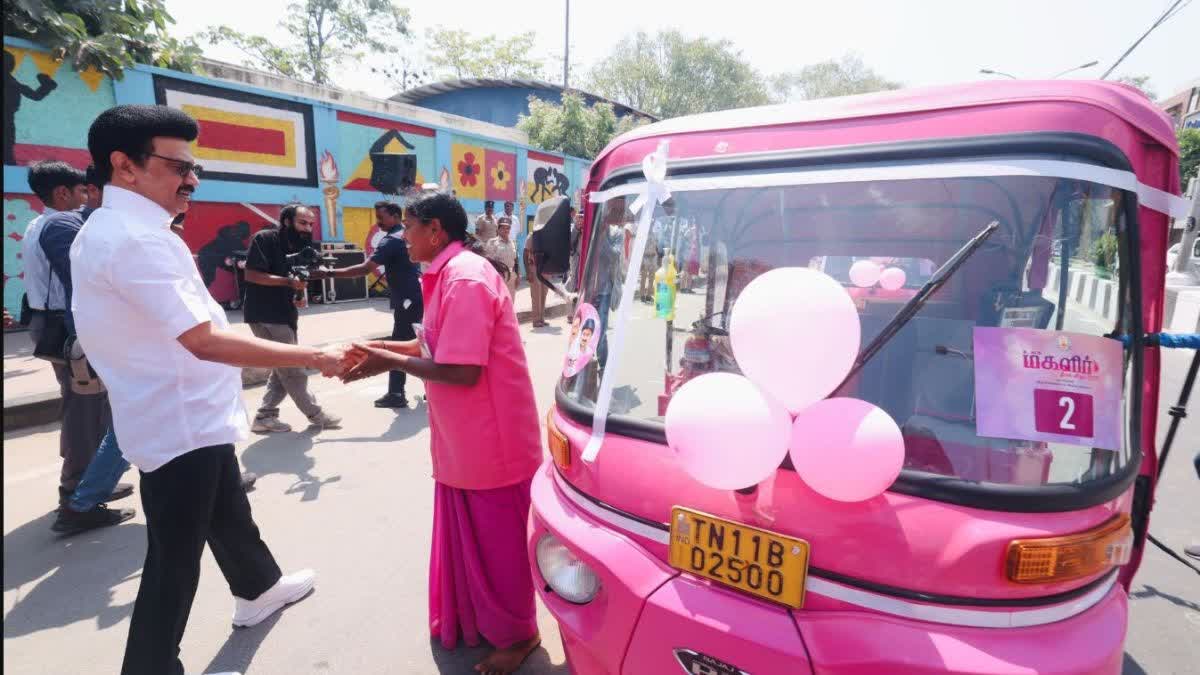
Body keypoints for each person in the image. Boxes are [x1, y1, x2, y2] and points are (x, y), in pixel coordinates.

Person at [71, 104, 346, 675]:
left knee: (228, 511)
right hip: (177, 419)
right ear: (124, 166)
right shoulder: (134, 238)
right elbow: (205, 341)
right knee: (174, 556)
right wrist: (316, 355)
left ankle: (259, 588)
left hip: (189, 413)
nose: (191, 179)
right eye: (178, 166)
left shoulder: (127, 227)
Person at [340, 191, 543, 675]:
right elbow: (432, 342)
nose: (400, 236)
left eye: (407, 226)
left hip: (492, 440)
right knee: (472, 539)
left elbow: (461, 370)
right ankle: (478, 618)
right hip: (463, 437)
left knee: (499, 547)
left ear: (435, 231)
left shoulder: (466, 279)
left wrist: (384, 360)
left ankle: (520, 635)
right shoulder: (445, 275)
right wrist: (374, 347)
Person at [39, 164, 135, 535]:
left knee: (126, 418)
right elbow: (94, 284)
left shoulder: (104, 226)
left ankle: (86, 494)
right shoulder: (67, 227)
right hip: (103, 338)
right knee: (122, 419)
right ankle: (80, 497)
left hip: (117, 336)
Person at [242, 203, 343, 433]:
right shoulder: (265, 239)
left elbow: (299, 275)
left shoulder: (302, 244)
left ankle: (265, 416)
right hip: (264, 313)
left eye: (310, 224)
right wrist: (288, 283)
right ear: (287, 221)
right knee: (292, 368)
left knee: (283, 366)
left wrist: (298, 293)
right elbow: (252, 274)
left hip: (285, 312)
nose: (307, 228)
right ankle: (316, 415)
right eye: (302, 222)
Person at [319, 201, 423, 408]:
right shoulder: (405, 235)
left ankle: (396, 393)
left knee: (399, 346)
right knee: (417, 343)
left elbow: (366, 269)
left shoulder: (392, 241)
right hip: (415, 296)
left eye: (381, 218)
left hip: (407, 300)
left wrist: (329, 272)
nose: (379, 223)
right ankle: (431, 385)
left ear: (394, 216)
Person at [484, 216, 519, 297]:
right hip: (499, 275)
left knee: (510, 301)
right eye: (503, 228)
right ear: (498, 229)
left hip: (512, 276)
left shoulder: (513, 243)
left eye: (508, 228)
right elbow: (488, 261)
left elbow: (516, 260)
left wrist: (517, 276)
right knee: (499, 301)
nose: (506, 230)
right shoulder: (492, 242)